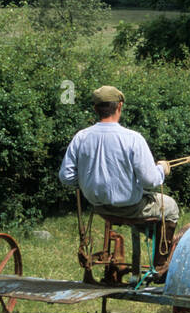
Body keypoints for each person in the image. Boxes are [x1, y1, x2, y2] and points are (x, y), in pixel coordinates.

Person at [58, 86, 180, 224]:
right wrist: (161, 170)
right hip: (130, 208)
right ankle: (162, 245)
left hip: (99, 207)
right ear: (120, 106)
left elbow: (66, 176)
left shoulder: (81, 137)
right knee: (171, 206)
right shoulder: (133, 138)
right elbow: (149, 181)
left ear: (95, 109)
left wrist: (88, 182)